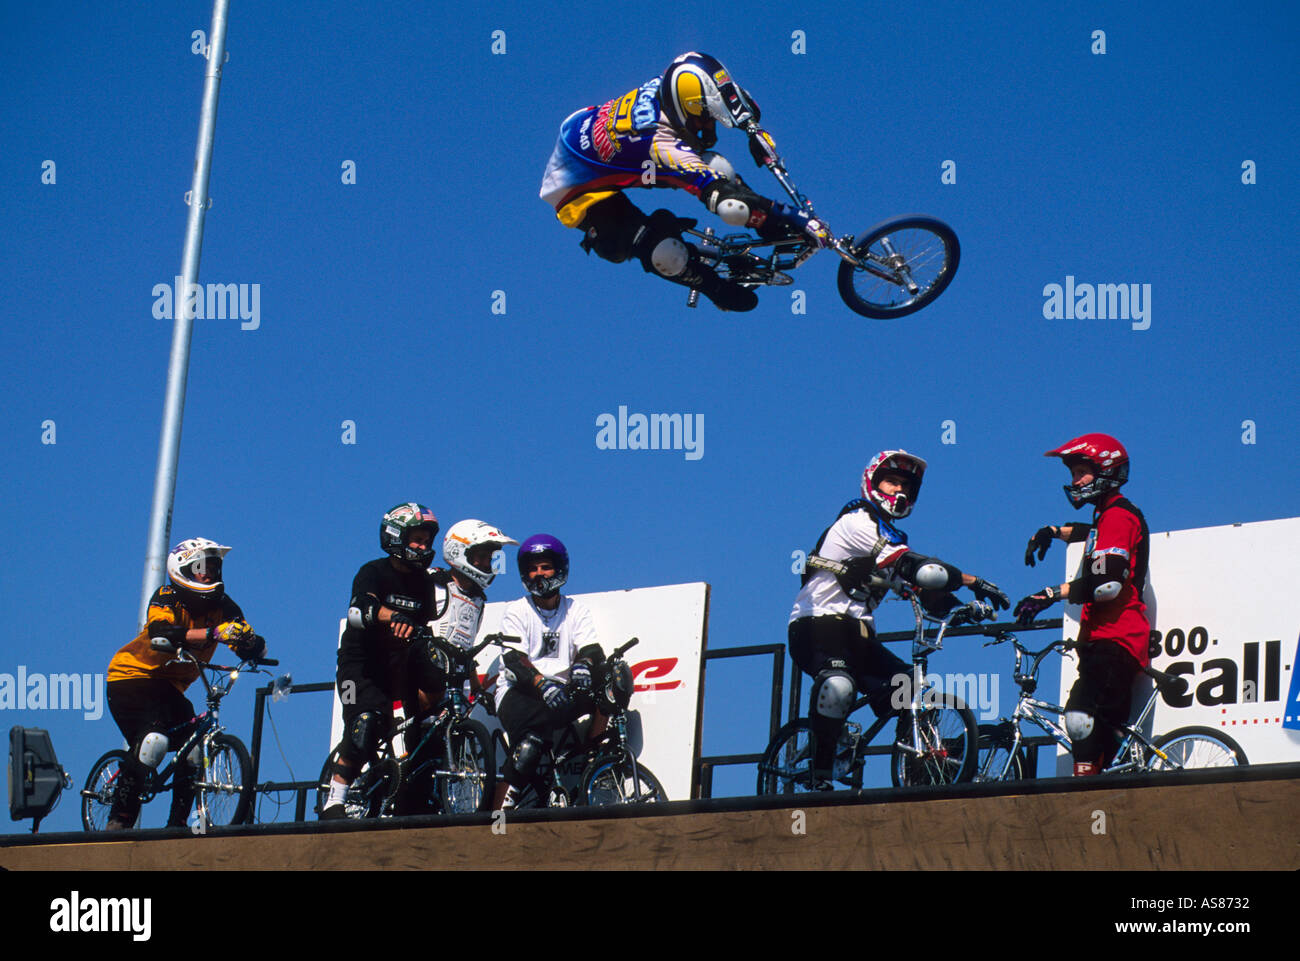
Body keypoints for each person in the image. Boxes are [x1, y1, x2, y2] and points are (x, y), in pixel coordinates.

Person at [539, 51, 832, 312]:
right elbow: (725, 202)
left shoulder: (674, 80)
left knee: (719, 167)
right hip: (575, 186)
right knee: (664, 251)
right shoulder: (659, 145)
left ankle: (765, 224)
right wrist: (794, 216)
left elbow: (728, 93)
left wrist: (752, 130)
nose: (709, 128)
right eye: (705, 120)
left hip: (595, 135)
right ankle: (712, 285)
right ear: (685, 109)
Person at [789, 450, 1009, 786]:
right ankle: (819, 770)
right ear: (873, 482)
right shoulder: (856, 522)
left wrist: (966, 608)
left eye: (907, 487)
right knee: (838, 684)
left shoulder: (891, 537)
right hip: (816, 624)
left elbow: (924, 587)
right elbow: (918, 567)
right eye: (892, 482)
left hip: (858, 633)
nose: (900, 492)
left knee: (911, 691)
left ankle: (917, 773)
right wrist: (974, 581)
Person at [105, 538, 267, 829]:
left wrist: (251, 644)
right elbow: (161, 630)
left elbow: (243, 639)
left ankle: (177, 825)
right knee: (154, 742)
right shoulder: (167, 595)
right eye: (202, 566)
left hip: (169, 688)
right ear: (183, 569)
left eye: (215, 567)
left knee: (193, 751)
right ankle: (120, 818)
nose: (210, 573)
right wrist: (214, 633)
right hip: (131, 679)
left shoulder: (225, 605)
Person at [1013, 434, 1150, 776]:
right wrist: (1053, 531)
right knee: (1098, 731)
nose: (1074, 482)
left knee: (1079, 717)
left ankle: (1086, 795)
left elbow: (1107, 584)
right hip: (1103, 642)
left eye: (1081, 473)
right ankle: (1102, 785)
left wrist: (1047, 594)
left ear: (1105, 471)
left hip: (1117, 639)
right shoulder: (1108, 516)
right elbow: (1091, 534)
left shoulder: (1119, 516)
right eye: (1073, 473)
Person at [320, 503, 443, 819]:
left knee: (415, 728)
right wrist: (393, 616)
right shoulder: (371, 572)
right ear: (395, 536)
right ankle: (334, 799)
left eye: (427, 541)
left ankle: (408, 798)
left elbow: (424, 626)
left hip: (399, 668)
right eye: (416, 538)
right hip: (357, 668)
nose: (423, 546)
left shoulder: (425, 582)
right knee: (365, 724)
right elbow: (359, 611)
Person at [491, 534, 605, 808]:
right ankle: (498, 816)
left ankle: (594, 754)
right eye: (532, 568)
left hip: (561, 692)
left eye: (545, 567)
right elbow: (514, 662)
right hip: (519, 693)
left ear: (559, 569)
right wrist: (542, 683)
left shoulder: (575, 609)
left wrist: (583, 665)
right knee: (529, 745)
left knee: (614, 680)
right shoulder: (517, 611)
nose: (539, 574)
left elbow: (593, 650)